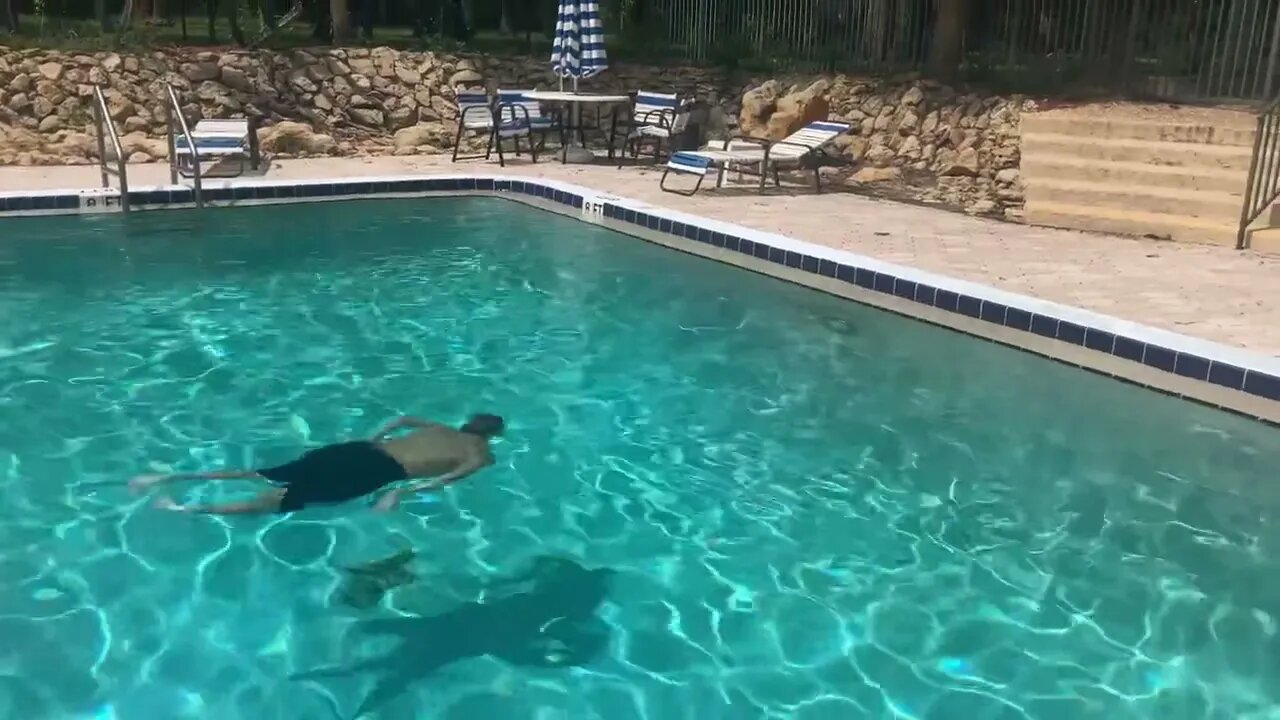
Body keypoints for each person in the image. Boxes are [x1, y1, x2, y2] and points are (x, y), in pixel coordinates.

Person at [128, 414, 504, 515]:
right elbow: (449, 478)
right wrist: (399, 494)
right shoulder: (482, 455)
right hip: (380, 472)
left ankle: (166, 476)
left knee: (261, 474)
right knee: (281, 500)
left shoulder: (438, 426)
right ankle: (182, 509)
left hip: (361, 451)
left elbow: (401, 419)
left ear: (468, 423)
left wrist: (373, 440)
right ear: (492, 436)